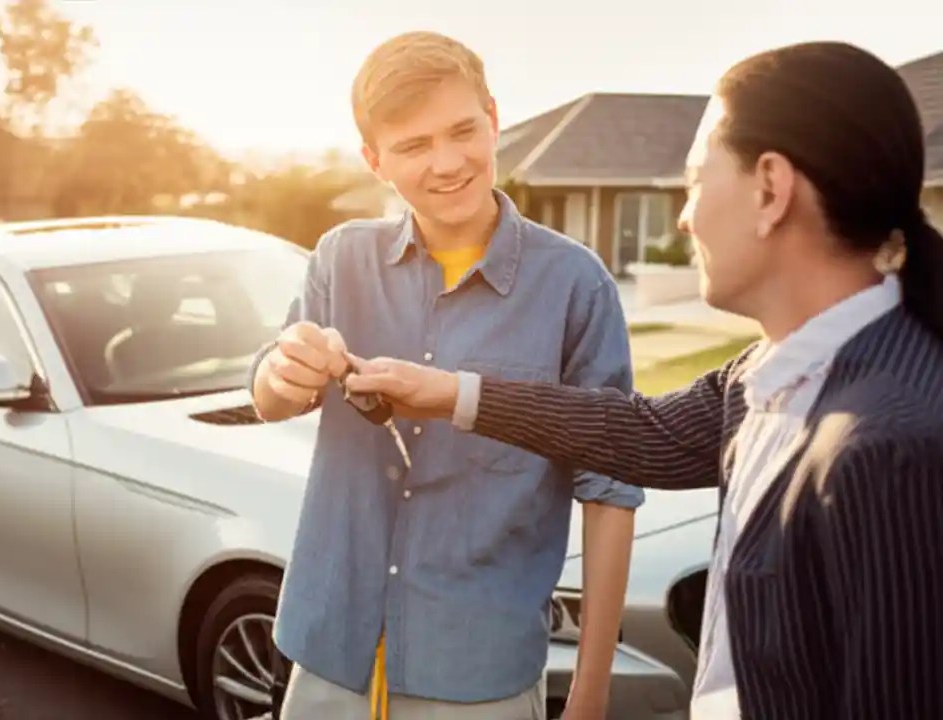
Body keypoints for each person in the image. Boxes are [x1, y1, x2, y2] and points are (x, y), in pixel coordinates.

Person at [343, 40, 943, 720]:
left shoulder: (896, 446)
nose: (683, 217)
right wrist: (449, 393)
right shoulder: (769, 377)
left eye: (692, 182)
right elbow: (641, 431)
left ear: (770, 190)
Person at [249, 30, 645, 720]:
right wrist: (283, 375)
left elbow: (610, 488)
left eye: (463, 130)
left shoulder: (576, 286)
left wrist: (591, 689)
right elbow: (269, 394)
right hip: (327, 654)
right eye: (412, 146)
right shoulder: (340, 259)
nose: (448, 162)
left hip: (479, 673)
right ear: (375, 161)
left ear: (493, 119)